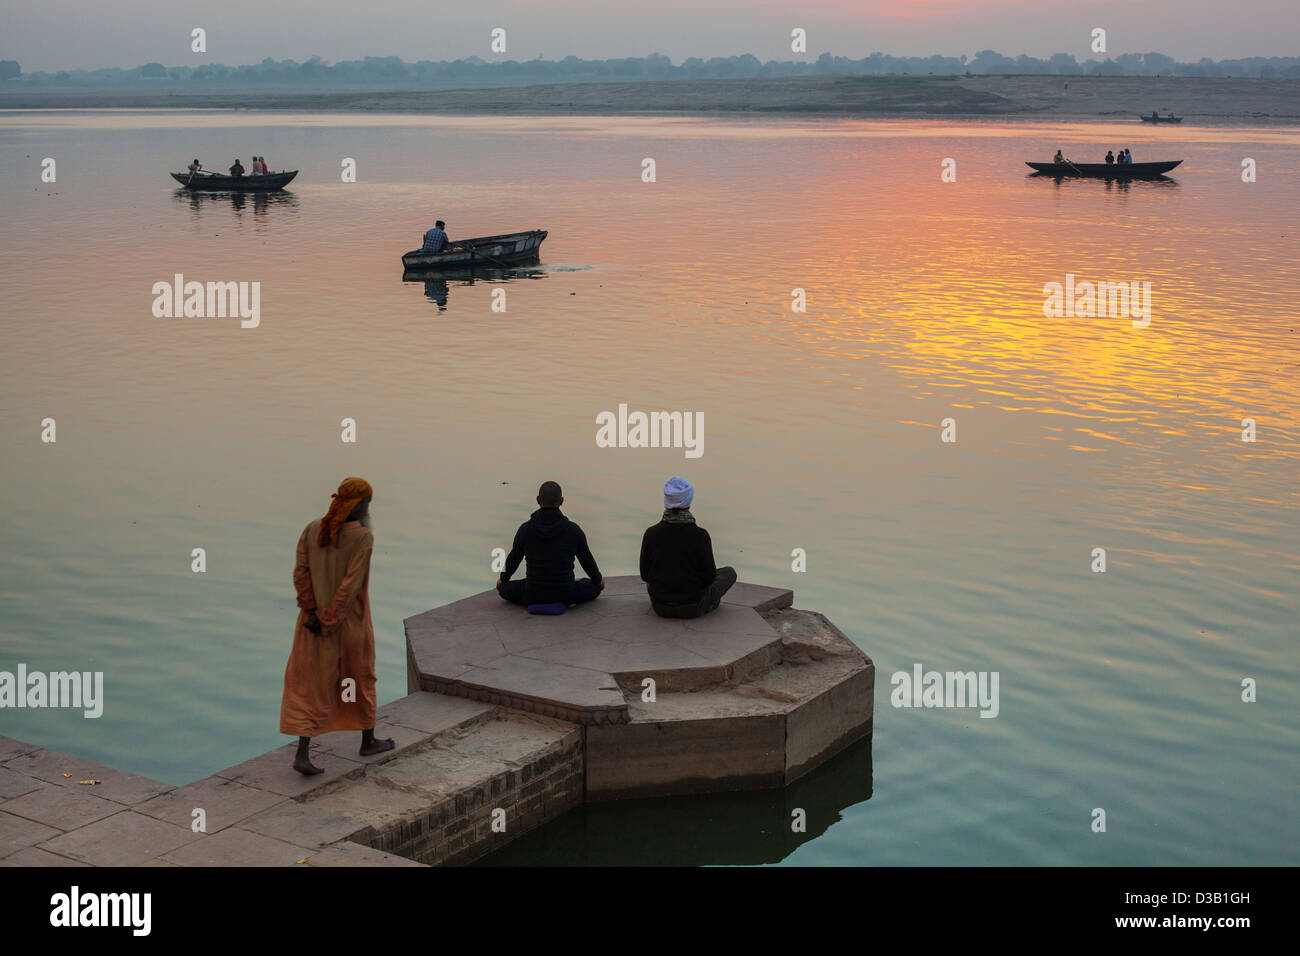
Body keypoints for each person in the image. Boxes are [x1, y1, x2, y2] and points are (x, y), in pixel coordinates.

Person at [279, 477, 393, 775]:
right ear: (361, 505)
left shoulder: (312, 528)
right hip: (348, 625)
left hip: (311, 625)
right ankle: (367, 740)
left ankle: (303, 753)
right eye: (368, 503)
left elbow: (300, 574)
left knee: (310, 685)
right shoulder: (362, 538)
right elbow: (349, 586)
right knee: (359, 679)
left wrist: (312, 612)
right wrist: (330, 619)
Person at [639, 476, 736, 620]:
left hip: (661, 607)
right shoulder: (700, 535)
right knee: (729, 573)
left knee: (656, 580)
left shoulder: (651, 533)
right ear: (689, 502)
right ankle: (708, 603)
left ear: (666, 502)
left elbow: (645, 575)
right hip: (692, 606)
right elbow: (709, 577)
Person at [497, 481, 604, 609]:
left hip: (533, 594)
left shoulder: (526, 529)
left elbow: (513, 559)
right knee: (594, 587)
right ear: (562, 501)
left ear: (538, 500)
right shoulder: (573, 529)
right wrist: (598, 580)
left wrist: (503, 579)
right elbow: (587, 560)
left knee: (503, 589)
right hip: (566, 594)